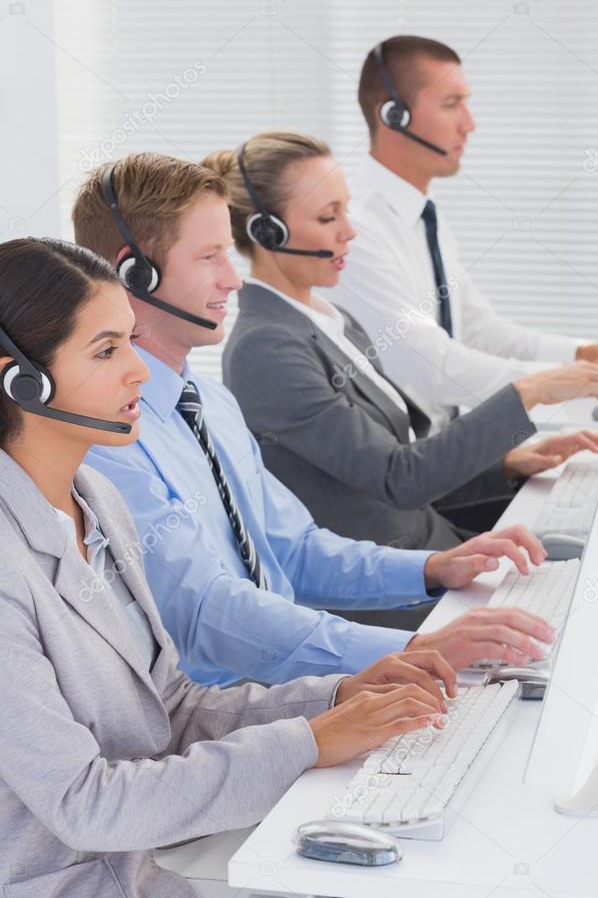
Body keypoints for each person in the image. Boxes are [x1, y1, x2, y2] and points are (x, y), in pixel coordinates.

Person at [0, 236, 461, 898]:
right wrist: (307, 742)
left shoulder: (94, 502)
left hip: (140, 873)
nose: (138, 370)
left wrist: (334, 695)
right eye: (106, 350)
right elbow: (86, 802)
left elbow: (172, 707)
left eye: (130, 340)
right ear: (20, 380)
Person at [73, 152, 554, 688]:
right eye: (209, 257)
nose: (233, 281)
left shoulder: (210, 404)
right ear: (133, 273)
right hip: (223, 712)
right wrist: (411, 648)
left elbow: (293, 548)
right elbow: (208, 611)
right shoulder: (106, 440)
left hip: (292, 684)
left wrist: (429, 570)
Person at [209, 131, 598, 551]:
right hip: (381, 582)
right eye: (329, 218)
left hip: (427, 545)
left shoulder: (330, 320)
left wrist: (505, 466)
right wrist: (527, 393)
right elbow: (398, 477)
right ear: (267, 232)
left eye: (346, 211)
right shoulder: (268, 350)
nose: (350, 232)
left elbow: (388, 463)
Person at [326, 34, 598, 428]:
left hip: (442, 459)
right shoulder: (355, 230)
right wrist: (576, 382)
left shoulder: (422, 216)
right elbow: (433, 367)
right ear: (393, 116)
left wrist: (589, 355)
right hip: (407, 470)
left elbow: (478, 330)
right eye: (451, 105)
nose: (469, 124)